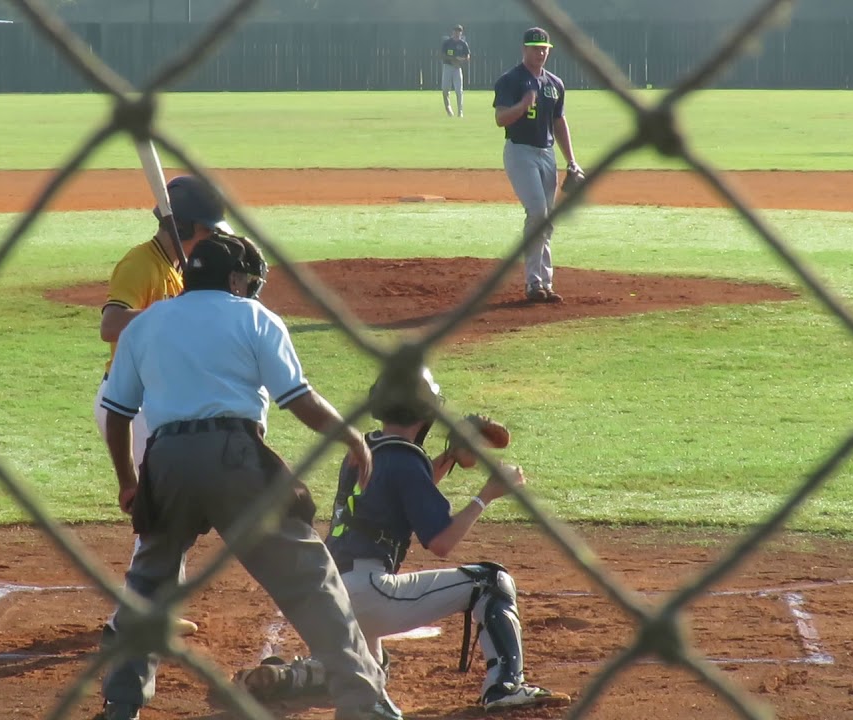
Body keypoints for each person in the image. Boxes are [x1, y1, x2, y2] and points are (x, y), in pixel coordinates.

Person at [96, 233, 403, 720]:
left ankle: (121, 704)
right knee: (310, 579)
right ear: (235, 278)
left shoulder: (146, 324)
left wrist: (128, 480)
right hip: (233, 456)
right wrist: (351, 437)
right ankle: (366, 704)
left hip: (167, 459)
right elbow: (297, 399)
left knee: (150, 585)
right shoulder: (255, 318)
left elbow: (116, 413)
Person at [231, 368, 571, 712]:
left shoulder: (364, 450)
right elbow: (441, 542)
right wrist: (488, 494)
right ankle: (506, 686)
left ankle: (292, 679)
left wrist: (451, 456)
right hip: (371, 592)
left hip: (330, 594)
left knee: (370, 672)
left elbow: (404, 489)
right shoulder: (406, 462)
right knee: (492, 582)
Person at [93, 174, 231, 637]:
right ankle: (129, 619)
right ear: (187, 225)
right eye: (209, 230)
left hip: (155, 404)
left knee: (171, 507)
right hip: (130, 406)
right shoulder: (142, 265)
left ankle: (156, 607)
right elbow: (111, 324)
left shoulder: (176, 266)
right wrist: (168, 314)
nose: (214, 239)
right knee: (163, 510)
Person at [492, 27, 582, 304]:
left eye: (544, 49)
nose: (540, 53)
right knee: (537, 212)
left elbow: (558, 123)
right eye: (534, 48)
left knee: (546, 220)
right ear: (524, 49)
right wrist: (522, 105)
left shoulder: (555, 83)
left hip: (547, 154)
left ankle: (544, 283)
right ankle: (533, 283)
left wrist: (571, 161)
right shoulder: (511, 80)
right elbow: (500, 119)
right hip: (520, 152)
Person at [439, 25, 471, 117]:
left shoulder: (463, 44)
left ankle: (460, 111)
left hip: (457, 68)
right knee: (445, 89)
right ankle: (448, 108)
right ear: (453, 32)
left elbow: (467, 56)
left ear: (461, 33)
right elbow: (442, 55)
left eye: (459, 31)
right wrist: (453, 59)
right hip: (448, 67)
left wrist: (462, 60)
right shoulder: (447, 43)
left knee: (459, 90)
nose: (457, 33)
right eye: (456, 31)